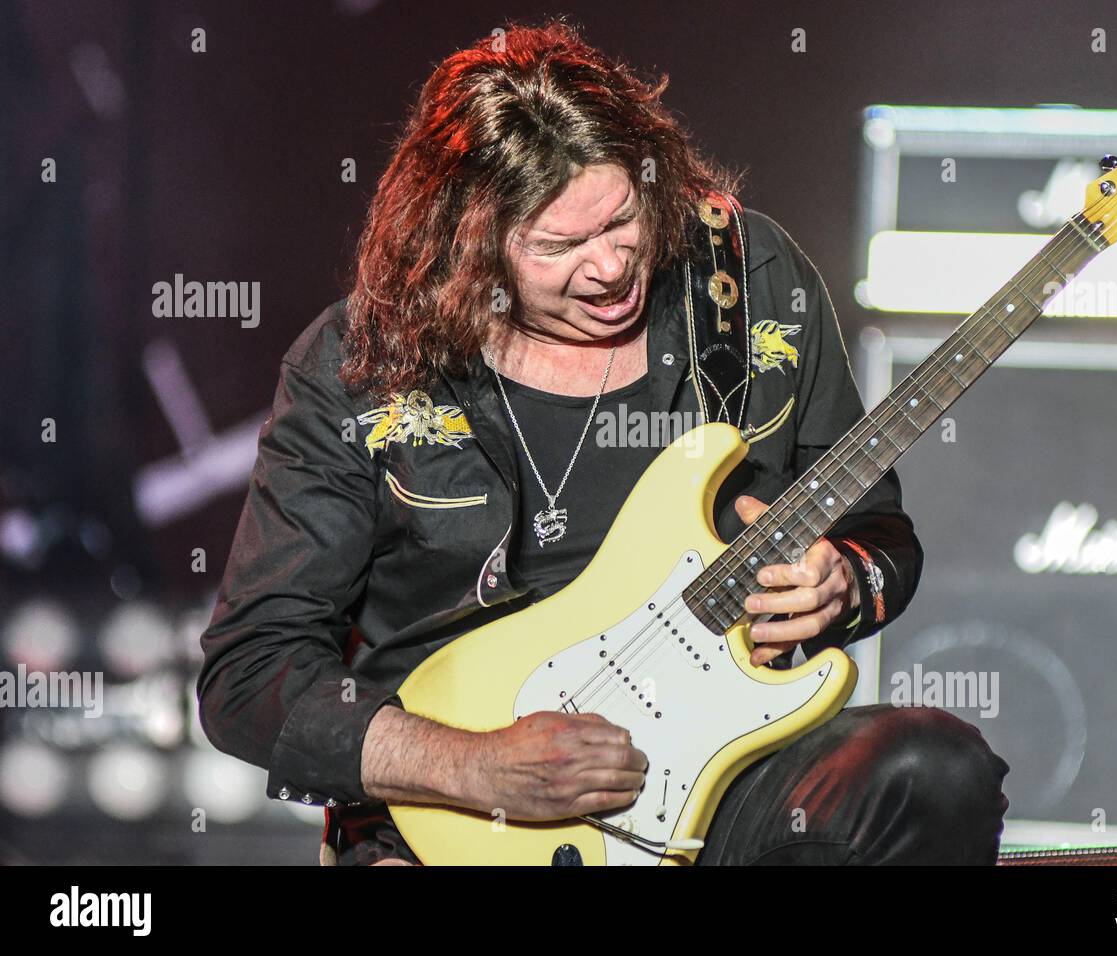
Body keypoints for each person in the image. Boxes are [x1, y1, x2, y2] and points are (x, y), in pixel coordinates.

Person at [198, 19, 1010, 866]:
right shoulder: (362, 366)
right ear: (465, 245)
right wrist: (475, 768)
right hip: (451, 819)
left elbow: (880, 530)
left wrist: (845, 580)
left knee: (934, 770)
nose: (610, 267)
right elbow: (250, 674)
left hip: (726, 775)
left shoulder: (750, 285)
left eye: (622, 219)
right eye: (557, 246)